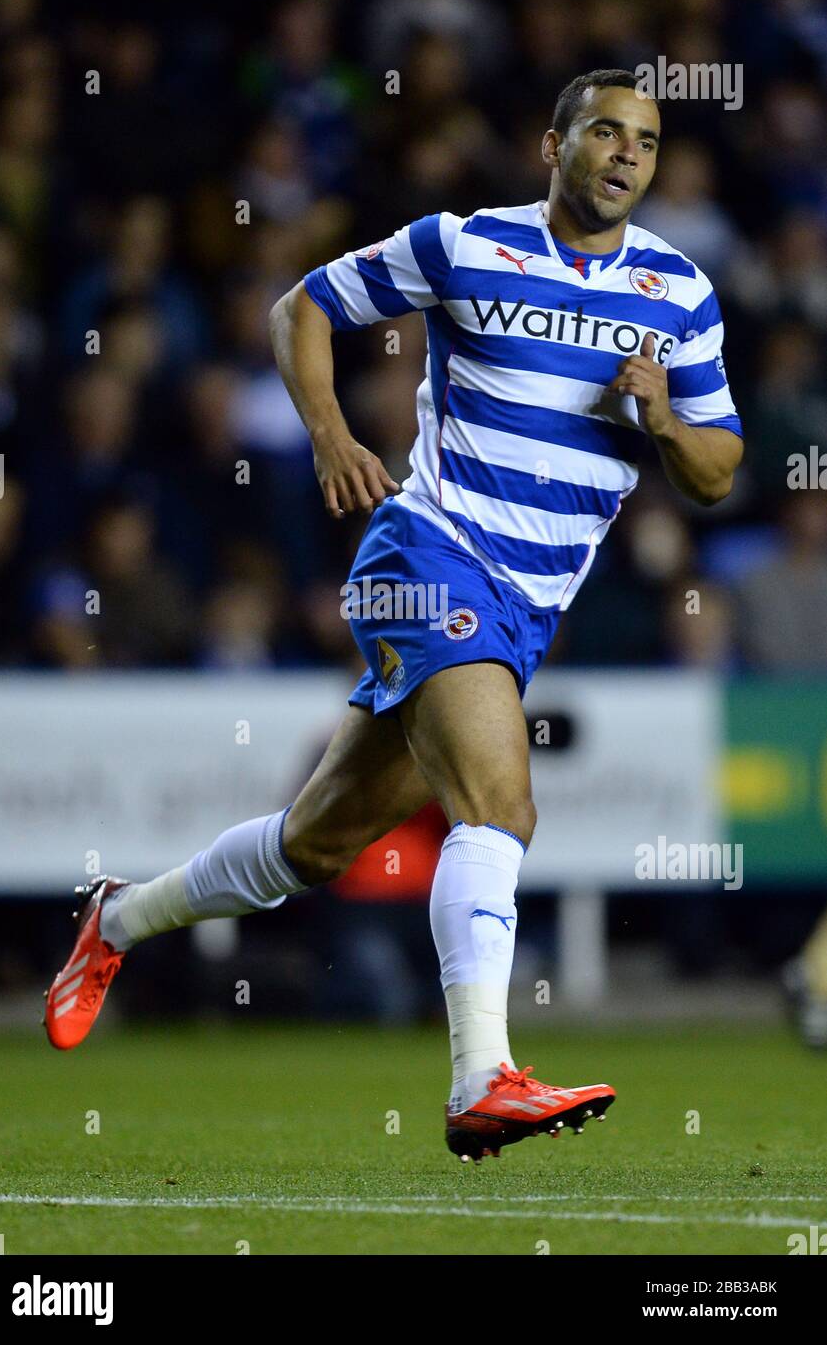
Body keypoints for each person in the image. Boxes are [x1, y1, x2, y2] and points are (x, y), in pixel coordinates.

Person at [45, 69, 744, 1162]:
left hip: (526, 604)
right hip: (425, 550)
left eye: (645, 143)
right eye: (603, 131)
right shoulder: (460, 246)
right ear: (551, 142)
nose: (623, 154)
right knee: (500, 804)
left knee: (312, 846)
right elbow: (301, 309)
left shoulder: (680, 292)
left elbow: (717, 473)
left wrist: (659, 418)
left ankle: (115, 919)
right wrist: (330, 435)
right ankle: (483, 1079)